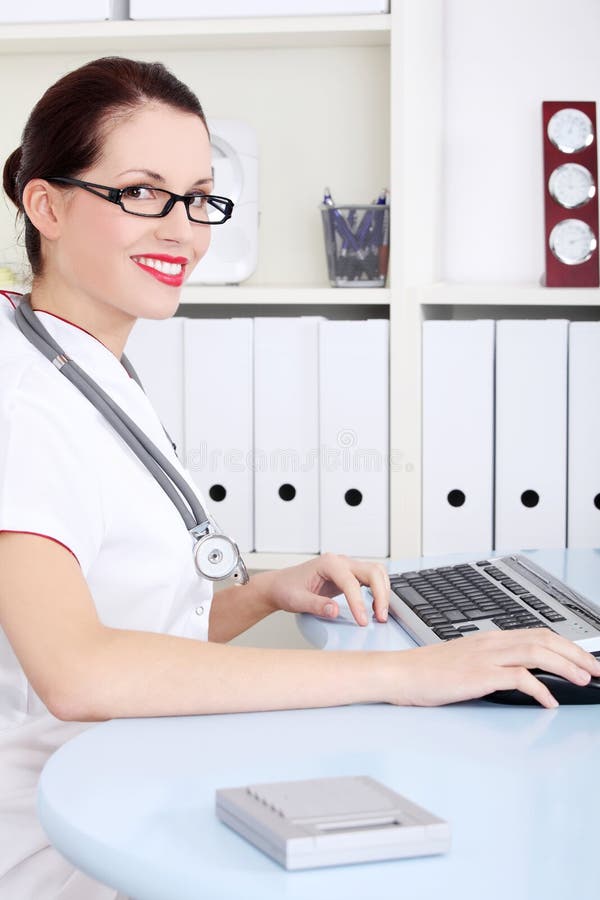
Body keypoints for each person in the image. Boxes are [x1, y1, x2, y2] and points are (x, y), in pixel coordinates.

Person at [0, 56, 598, 900]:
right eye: (141, 192)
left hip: (124, 778)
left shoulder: (80, 358)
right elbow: (77, 671)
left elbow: (131, 628)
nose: (183, 232)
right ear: (47, 205)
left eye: (199, 198)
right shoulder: (24, 402)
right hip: (61, 842)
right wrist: (407, 676)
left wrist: (265, 593)